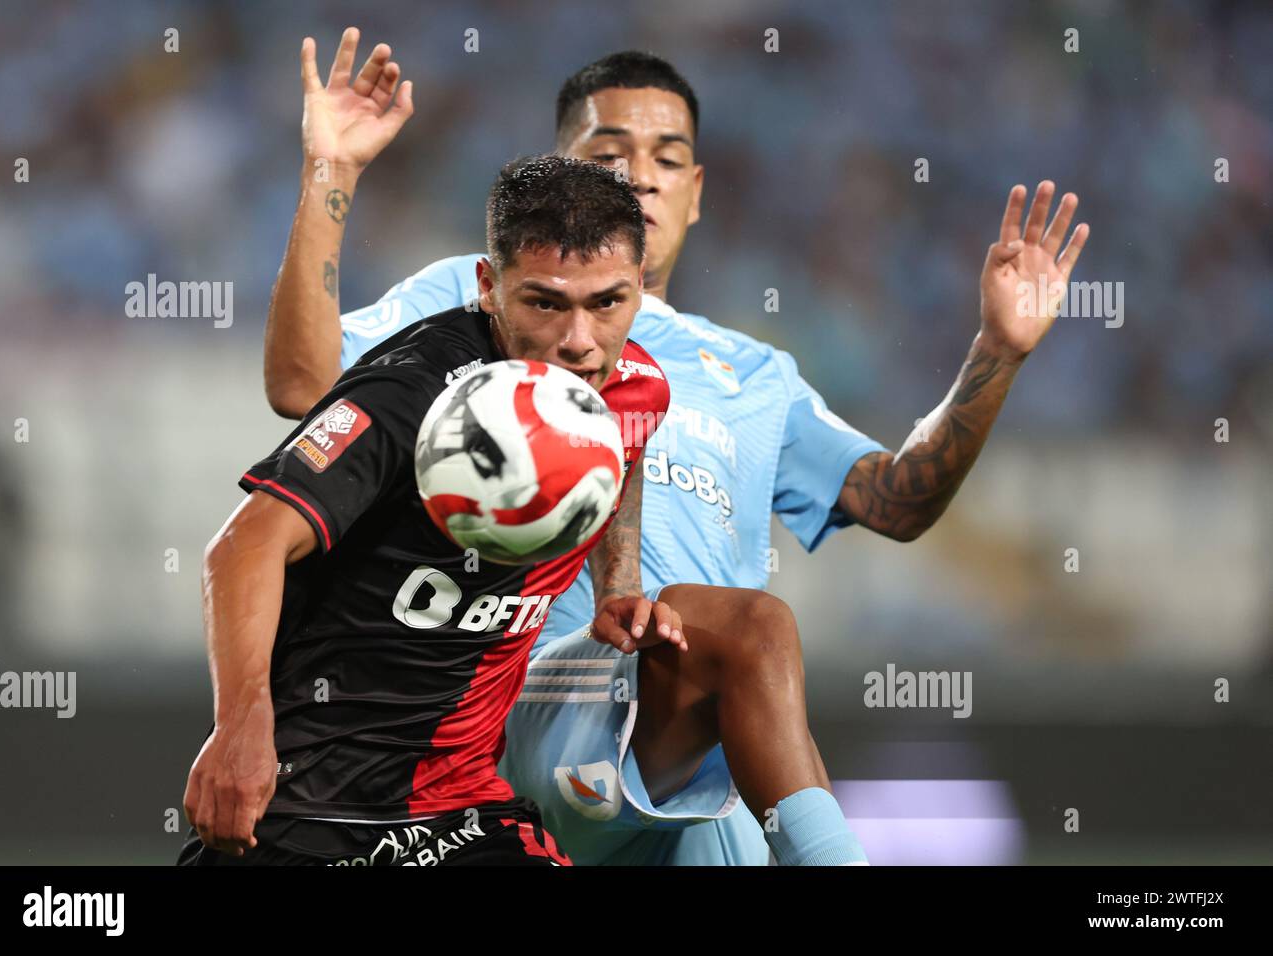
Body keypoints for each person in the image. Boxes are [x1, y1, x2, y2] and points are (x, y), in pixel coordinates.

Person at [263, 33, 1089, 866]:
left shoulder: (755, 374)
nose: (638, 173)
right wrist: (330, 172)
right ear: (564, 173)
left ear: (695, 192)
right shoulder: (480, 294)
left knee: (722, 795)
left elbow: (901, 500)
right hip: (516, 707)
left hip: (678, 735)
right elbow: (306, 385)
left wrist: (997, 353)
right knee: (741, 674)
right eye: (607, 150)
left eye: (667, 155)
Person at [178, 155, 676, 866]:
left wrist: (619, 583)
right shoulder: (412, 394)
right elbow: (244, 546)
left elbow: (623, 455)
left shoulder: (634, 389)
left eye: (606, 303)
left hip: (464, 815)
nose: (579, 341)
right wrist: (239, 727)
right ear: (488, 288)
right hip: (303, 812)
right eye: (543, 303)